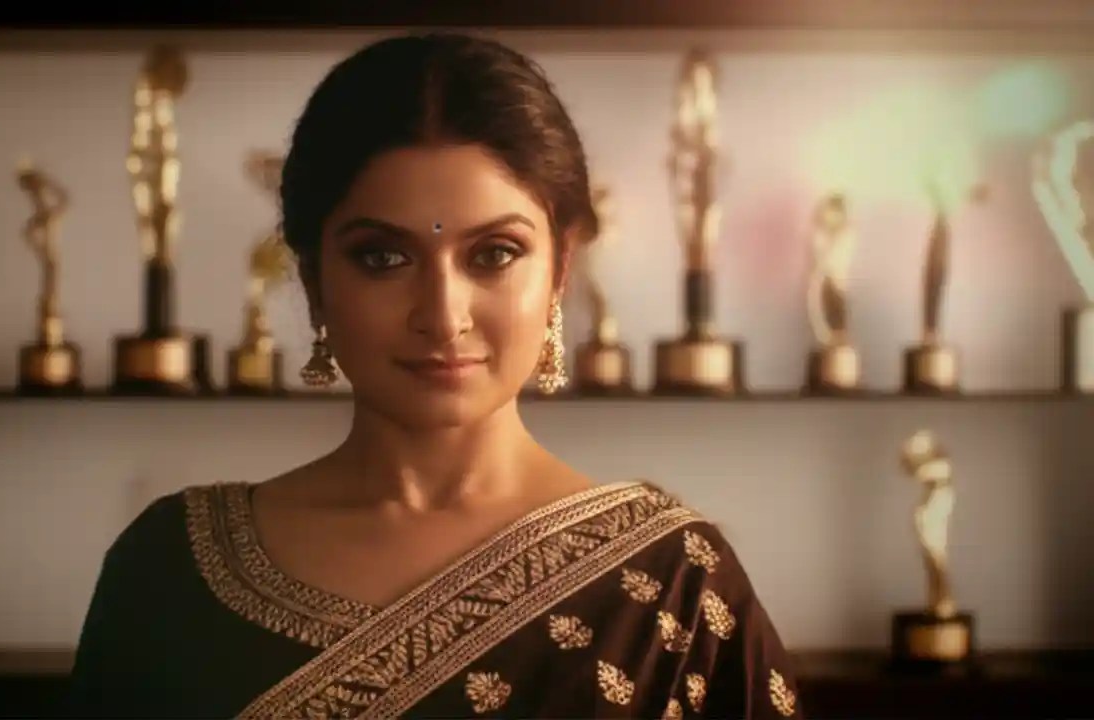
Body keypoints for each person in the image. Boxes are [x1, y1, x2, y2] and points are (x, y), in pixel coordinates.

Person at [67, 32, 802, 719]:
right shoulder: (170, 570)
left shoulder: (674, 583)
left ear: (560, 273)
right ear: (315, 282)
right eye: (383, 257)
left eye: (495, 254)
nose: (443, 314)